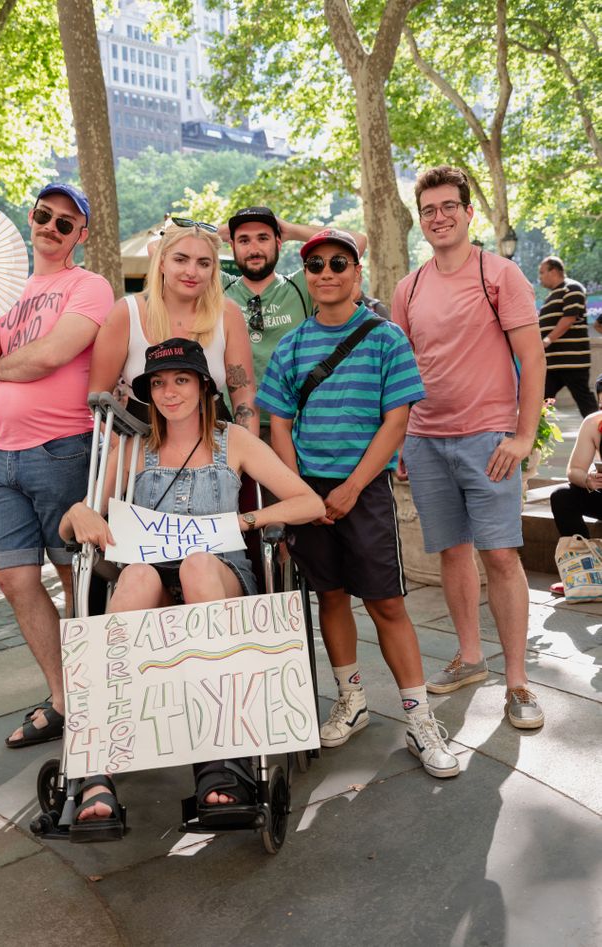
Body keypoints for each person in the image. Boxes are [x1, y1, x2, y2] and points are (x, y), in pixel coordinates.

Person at [58, 339, 325, 838]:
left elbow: (309, 503)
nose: (169, 392)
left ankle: (221, 756)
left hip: (218, 578)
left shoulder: (233, 441)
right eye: (159, 383)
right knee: (138, 574)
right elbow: (71, 526)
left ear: (204, 387)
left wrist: (244, 520)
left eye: (181, 380)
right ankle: (99, 766)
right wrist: (78, 512)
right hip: (155, 578)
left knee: (198, 565)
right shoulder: (134, 449)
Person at [257, 228, 460, 779]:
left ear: (356, 272)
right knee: (330, 596)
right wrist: (299, 492)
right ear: (306, 275)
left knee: (386, 603)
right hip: (307, 490)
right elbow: (279, 423)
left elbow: (397, 421)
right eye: (316, 265)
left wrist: (351, 487)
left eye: (338, 263)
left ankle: (419, 719)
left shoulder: (386, 338)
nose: (326, 273)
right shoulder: (291, 345)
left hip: (364, 489)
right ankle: (353, 700)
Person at [0, 183, 114, 747]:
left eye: (65, 222)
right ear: (31, 218)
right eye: (44, 215)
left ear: (80, 234)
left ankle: (98, 701)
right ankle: (64, 699)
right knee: (13, 579)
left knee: (75, 579)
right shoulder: (5, 293)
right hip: (4, 457)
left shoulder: (88, 285)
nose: (51, 227)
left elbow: (50, 355)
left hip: (64, 450)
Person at [391, 165, 547, 730]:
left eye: (448, 206)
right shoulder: (408, 288)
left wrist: (523, 436)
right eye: (428, 210)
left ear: (467, 211)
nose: (439, 217)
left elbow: (532, 357)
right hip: (425, 440)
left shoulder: (499, 273)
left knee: (501, 556)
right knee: (452, 552)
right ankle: (470, 657)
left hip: (489, 440)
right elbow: (403, 370)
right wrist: (401, 440)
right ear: (421, 219)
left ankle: (518, 682)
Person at [88, 220, 258, 435]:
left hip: (215, 441)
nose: (192, 271)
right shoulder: (126, 313)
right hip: (141, 439)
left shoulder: (228, 313)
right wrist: (123, 448)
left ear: (213, 269)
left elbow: (243, 397)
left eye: (203, 263)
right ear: (161, 263)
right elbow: (98, 399)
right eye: (180, 260)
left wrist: (245, 448)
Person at [220, 207, 368, 420]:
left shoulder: (301, 286)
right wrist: (218, 233)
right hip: (235, 423)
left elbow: (357, 241)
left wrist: (291, 230)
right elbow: (169, 248)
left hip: (292, 424)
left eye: (263, 238)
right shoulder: (219, 287)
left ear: (278, 243)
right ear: (232, 246)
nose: (254, 249)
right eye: (244, 240)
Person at [548, 374, 602, 594]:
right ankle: (580, 574)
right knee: (562, 496)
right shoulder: (593, 423)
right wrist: (587, 479)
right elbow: (574, 470)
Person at [538, 256, 597, 418]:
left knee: (585, 402)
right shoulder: (551, 296)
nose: (540, 277)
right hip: (553, 363)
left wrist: (547, 340)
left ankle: (597, 430)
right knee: (540, 401)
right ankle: (532, 433)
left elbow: (569, 318)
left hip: (572, 361)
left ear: (554, 271)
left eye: (542, 272)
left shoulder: (572, 288)